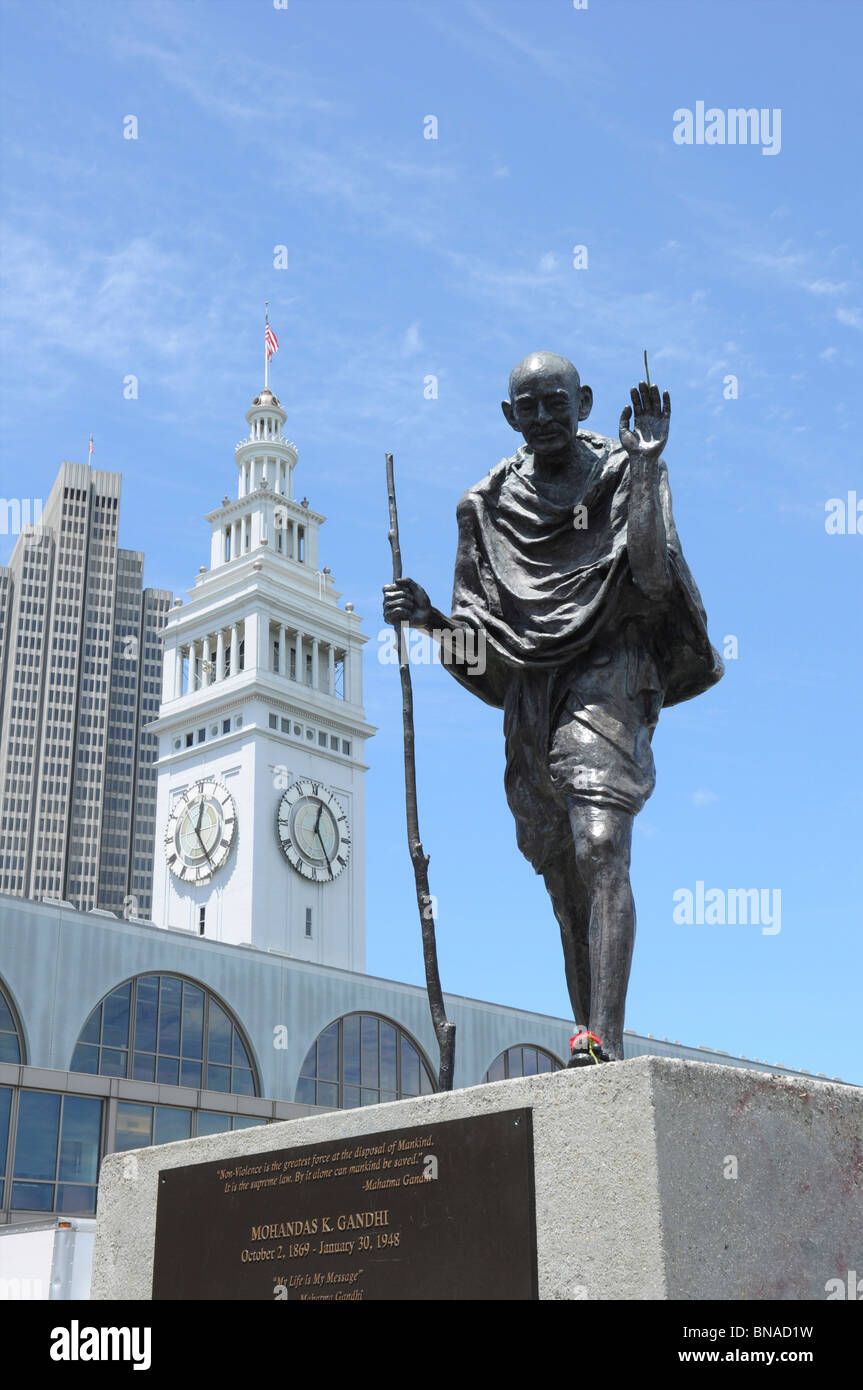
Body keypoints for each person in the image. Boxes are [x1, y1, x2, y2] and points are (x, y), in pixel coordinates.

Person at [383, 352, 723, 1063]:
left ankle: (605, 1035)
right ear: (509, 416)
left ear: (585, 402)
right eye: (526, 406)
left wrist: (650, 466)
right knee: (564, 881)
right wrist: (428, 621)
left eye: (554, 402)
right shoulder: (483, 506)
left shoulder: (625, 470)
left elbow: (653, 577)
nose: (541, 417)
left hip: (610, 668)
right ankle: (588, 1040)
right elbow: (486, 655)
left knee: (598, 844)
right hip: (534, 695)